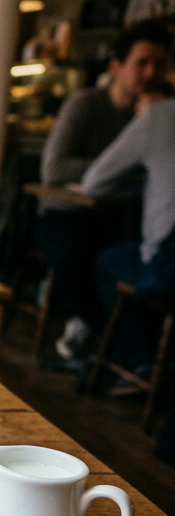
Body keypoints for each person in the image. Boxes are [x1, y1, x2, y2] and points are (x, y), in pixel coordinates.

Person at [36, 21, 172, 359]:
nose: (151, 73)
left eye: (160, 65)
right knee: (75, 253)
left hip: (121, 215)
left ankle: (121, 348)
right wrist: (122, 162)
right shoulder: (85, 105)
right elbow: (54, 170)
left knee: (129, 253)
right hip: (67, 211)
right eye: (142, 63)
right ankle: (97, 331)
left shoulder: (160, 114)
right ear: (116, 66)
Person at [81, 97, 175, 373]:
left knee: (108, 262)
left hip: (166, 267)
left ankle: (135, 361)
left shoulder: (160, 116)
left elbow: (94, 183)